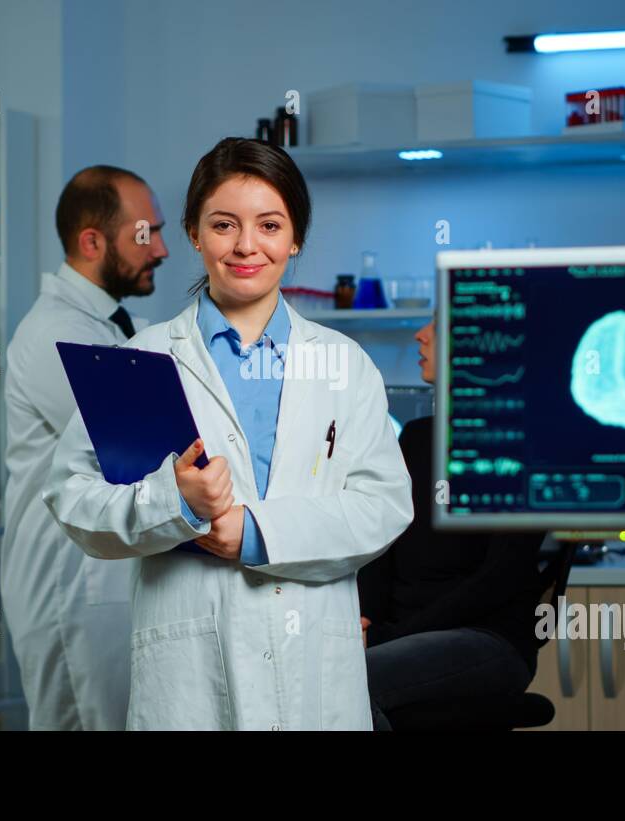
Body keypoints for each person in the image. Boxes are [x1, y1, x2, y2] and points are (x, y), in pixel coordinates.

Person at [43, 137, 413, 730]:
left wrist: (253, 532)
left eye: (269, 225)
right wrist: (174, 502)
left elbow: (385, 506)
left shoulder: (344, 364)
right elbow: (71, 498)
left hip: (314, 666)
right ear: (194, 233)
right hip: (189, 672)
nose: (246, 245)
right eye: (223, 225)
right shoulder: (143, 359)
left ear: (295, 238)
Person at [1, 165, 168, 730]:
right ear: (92, 241)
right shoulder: (55, 335)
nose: (163, 248)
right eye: (146, 234)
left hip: (106, 589)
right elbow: (144, 450)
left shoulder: (114, 327)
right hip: (69, 593)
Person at [357, 320, 547, 731]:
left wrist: (393, 637)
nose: (420, 335)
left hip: (489, 640)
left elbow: (500, 579)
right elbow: (383, 541)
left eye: (438, 326)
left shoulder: (520, 446)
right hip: (404, 636)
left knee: (345, 686)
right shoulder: (417, 437)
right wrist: (366, 617)